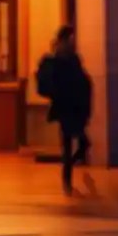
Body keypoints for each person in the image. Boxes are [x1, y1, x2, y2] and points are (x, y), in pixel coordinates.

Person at [36, 26, 92, 196]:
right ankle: (67, 183)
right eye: (71, 38)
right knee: (74, 143)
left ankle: (67, 180)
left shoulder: (72, 58)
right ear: (65, 39)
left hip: (73, 107)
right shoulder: (60, 59)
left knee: (76, 144)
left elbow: (80, 80)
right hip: (66, 107)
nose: (73, 41)